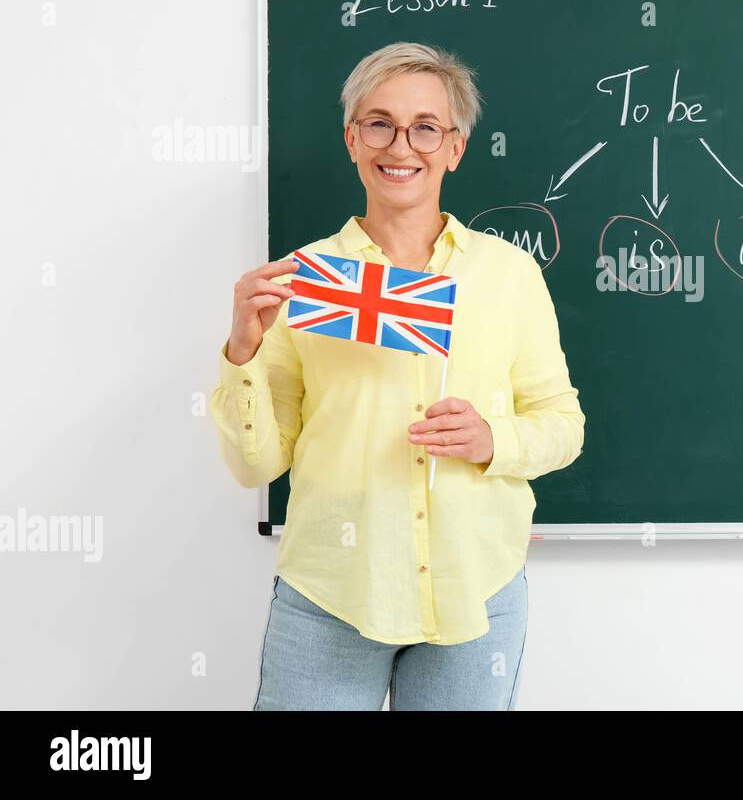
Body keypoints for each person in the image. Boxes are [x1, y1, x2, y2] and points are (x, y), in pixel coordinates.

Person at [209, 41, 585, 710]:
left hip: (476, 593)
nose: (400, 145)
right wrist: (241, 352)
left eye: (425, 127)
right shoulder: (303, 280)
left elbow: (563, 424)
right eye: (379, 123)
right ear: (353, 140)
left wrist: (492, 438)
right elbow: (256, 465)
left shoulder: (507, 275)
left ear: (455, 147)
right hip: (333, 594)